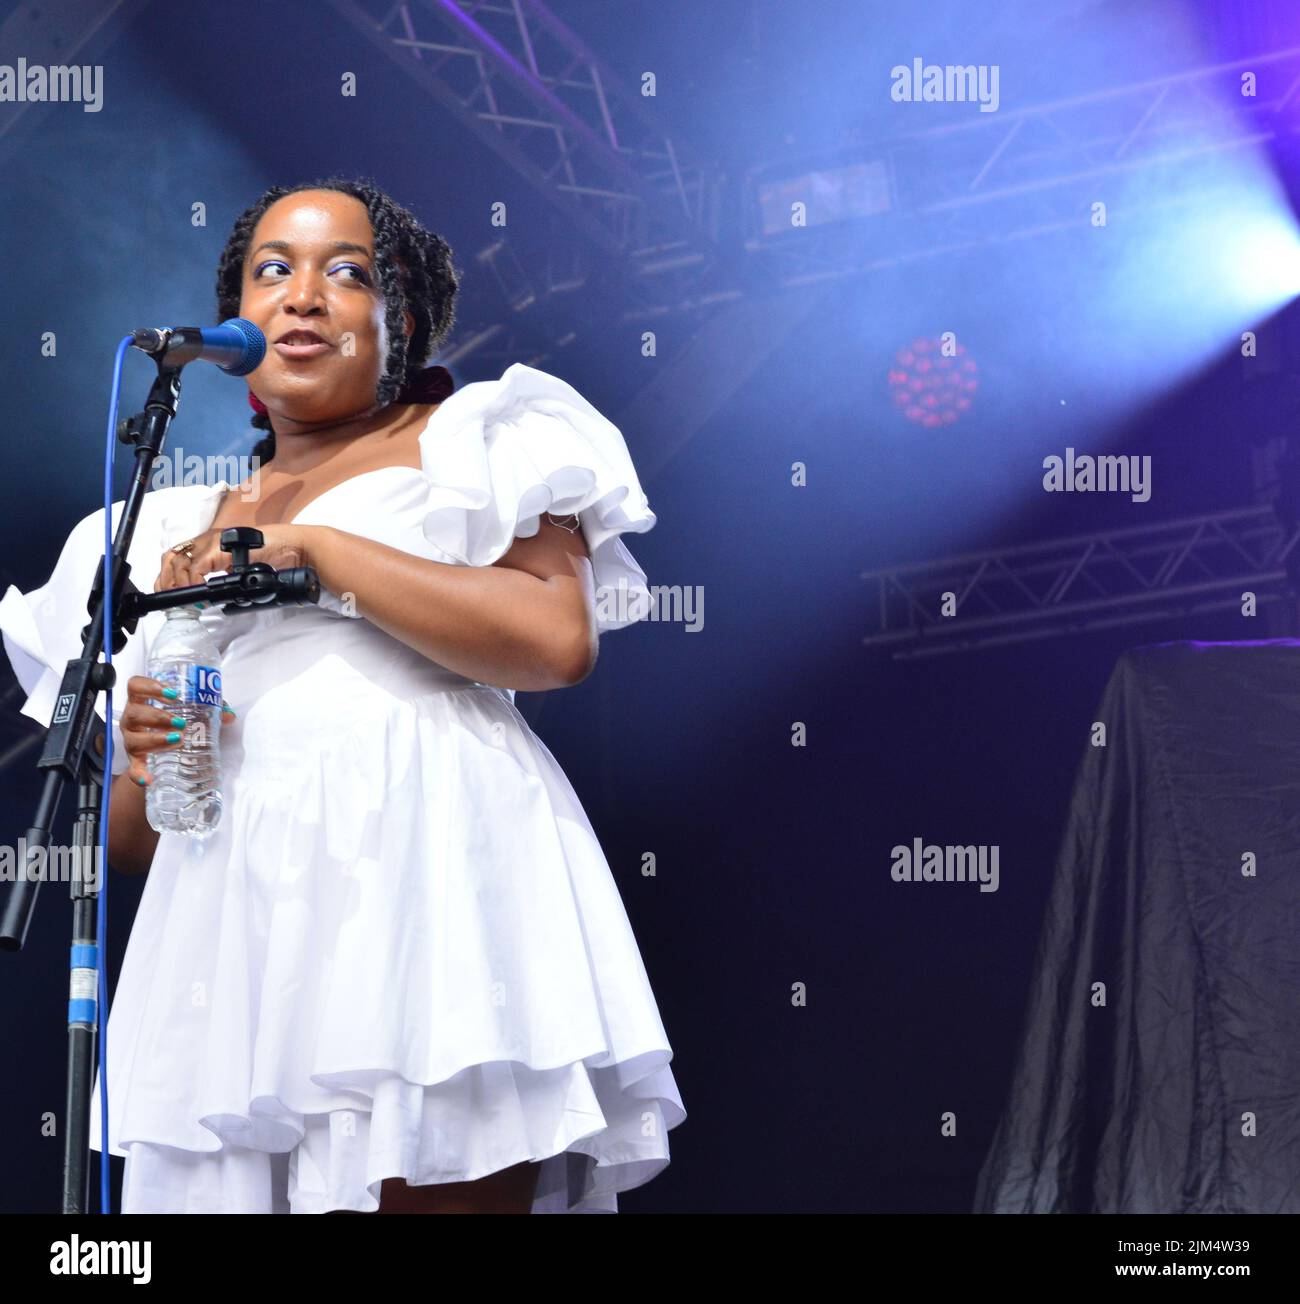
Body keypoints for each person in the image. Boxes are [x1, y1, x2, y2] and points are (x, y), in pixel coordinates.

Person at [0, 176, 684, 1214]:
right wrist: (145, 748)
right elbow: (137, 840)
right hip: (231, 917)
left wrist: (316, 548)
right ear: (232, 320)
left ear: (401, 322)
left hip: (429, 873)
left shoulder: (473, 442)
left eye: (348, 274)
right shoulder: (153, 526)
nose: (303, 296)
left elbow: (555, 638)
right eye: (271, 270)